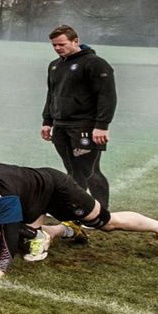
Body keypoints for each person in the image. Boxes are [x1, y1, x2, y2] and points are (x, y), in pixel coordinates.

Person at [0, 149, 158, 279]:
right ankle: (65, 229)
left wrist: (0, 267)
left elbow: (9, 230)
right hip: (31, 196)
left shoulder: (1, 191)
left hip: (56, 187)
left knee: (105, 223)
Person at [41, 24, 115, 205]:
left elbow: (107, 96)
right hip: (61, 127)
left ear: (76, 41)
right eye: (54, 45)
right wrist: (47, 121)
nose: (58, 48)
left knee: (88, 171)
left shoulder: (94, 63)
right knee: (71, 169)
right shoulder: (54, 66)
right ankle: (79, 208)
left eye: (62, 44)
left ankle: (100, 212)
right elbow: (52, 94)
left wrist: (101, 126)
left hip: (85, 127)